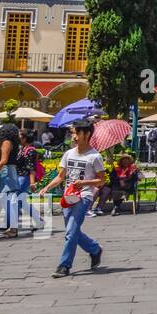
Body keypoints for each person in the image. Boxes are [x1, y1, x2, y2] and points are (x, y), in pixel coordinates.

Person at [37, 119, 104, 278]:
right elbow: (61, 176)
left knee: (71, 231)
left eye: (77, 133)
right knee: (71, 231)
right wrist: (47, 187)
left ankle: (64, 265)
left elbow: (101, 180)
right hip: (68, 197)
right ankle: (94, 249)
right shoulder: (68, 154)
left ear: (87, 134)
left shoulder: (95, 156)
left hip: (84, 196)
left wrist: (84, 182)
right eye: (72, 133)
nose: (73, 136)